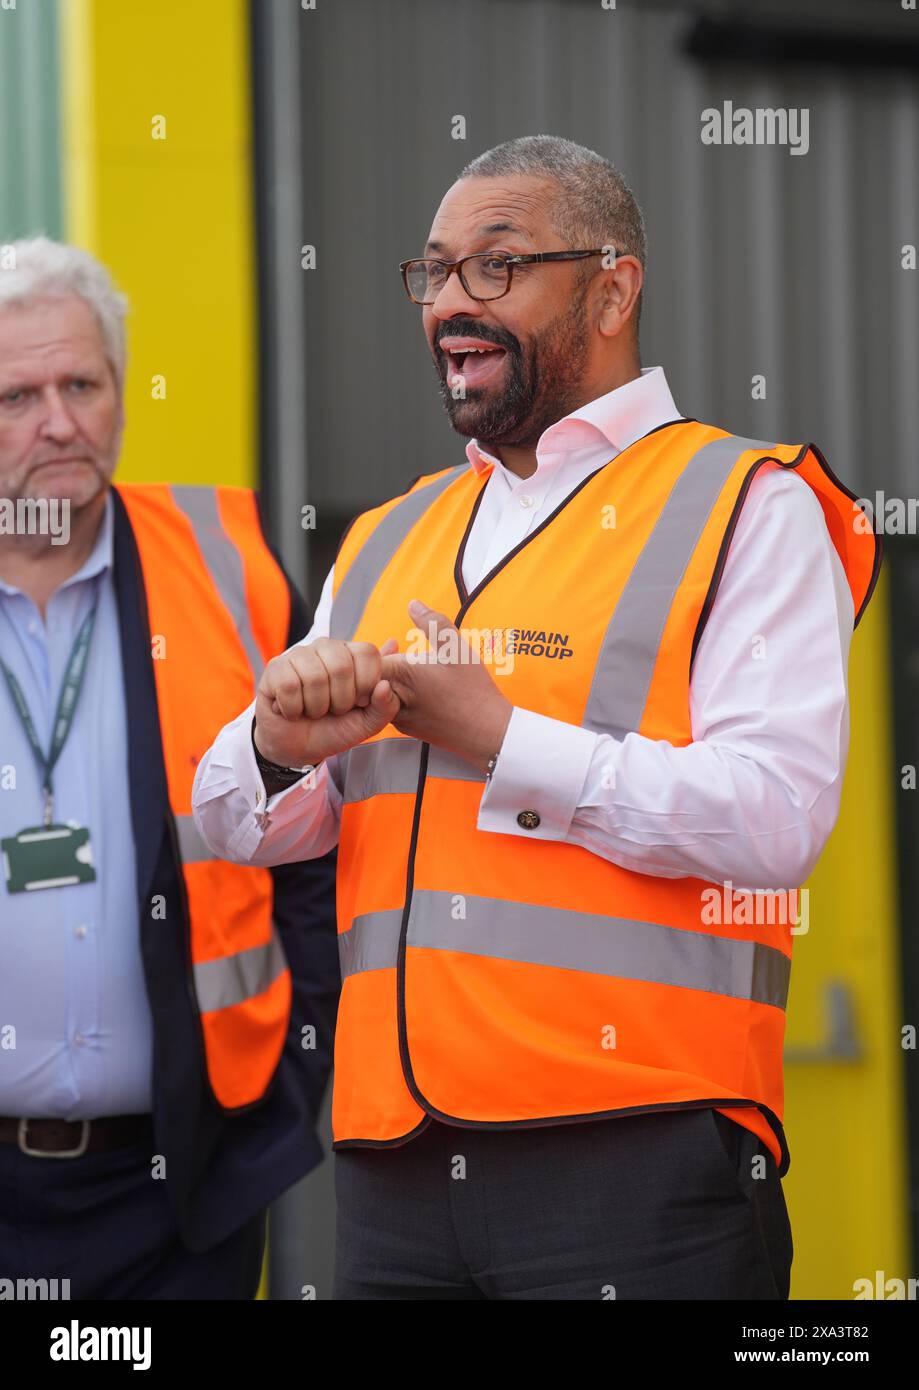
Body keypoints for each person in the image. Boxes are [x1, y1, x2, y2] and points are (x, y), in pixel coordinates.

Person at [192, 136, 881, 1300]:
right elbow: (232, 822)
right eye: (434, 272)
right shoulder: (384, 536)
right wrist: (274, 746)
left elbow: (775, 823)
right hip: (392, 1168)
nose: (450, 304)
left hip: (636, 1159)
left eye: (495, 267)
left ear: (612, 287)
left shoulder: (746, 506)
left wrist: (503, 739)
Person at [0, 238, 340, 1299]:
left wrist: (304, 1059)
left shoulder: (226, 563)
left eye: (81, 384)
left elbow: (321, 833)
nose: (58, 420)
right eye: (16, 395)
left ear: (117, 394)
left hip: (180, 1186)